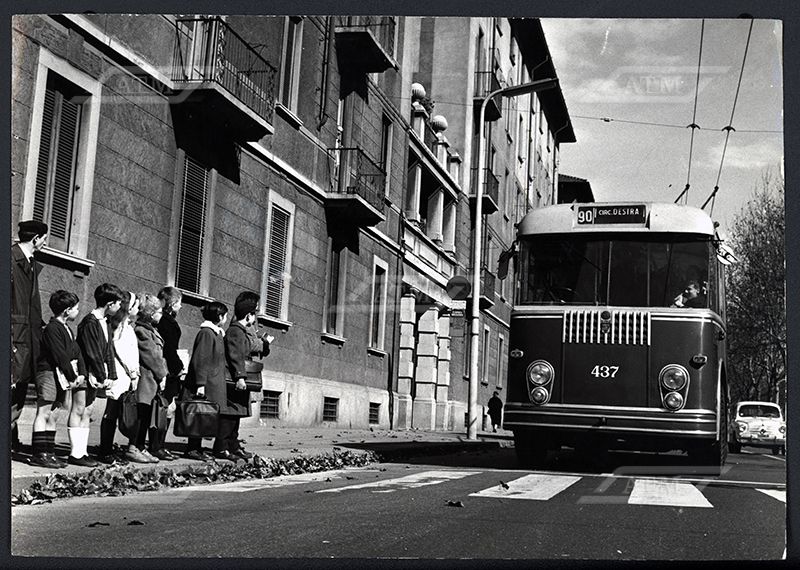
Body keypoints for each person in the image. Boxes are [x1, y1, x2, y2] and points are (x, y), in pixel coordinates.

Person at [30, 290, 86, 468]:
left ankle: (50, 452)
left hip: (60, 375)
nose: (78, 311)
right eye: (76, 308)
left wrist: (81, 374)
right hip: (48, 373)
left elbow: (76, 352)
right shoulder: (53, 328)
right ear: (67, 310)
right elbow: (59, 355)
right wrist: (72, 375)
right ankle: (40, 453)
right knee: (43, 412)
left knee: (53, 415)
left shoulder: (67, 329)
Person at [73, 283, 124, 467]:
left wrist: (111, 375)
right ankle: (75, 453)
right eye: (118, 303)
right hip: (86, 372)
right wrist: (100, 375)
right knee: (80, 409)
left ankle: (82, 451)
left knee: (88, 411)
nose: (119, 307)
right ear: (110, 304)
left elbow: (108, 350)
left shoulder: (105, 323)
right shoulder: (90, 322)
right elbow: (92, 352)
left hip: (96, 374)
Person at [218, 291, 272, 461]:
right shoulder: (236, 331)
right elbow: (235, 355)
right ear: (248, 315)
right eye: (254, 313)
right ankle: (221, 447)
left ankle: (233, 446)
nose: (255, 317)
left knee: (236, 415)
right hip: (235, 380)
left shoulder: (240, 330)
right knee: (229, 416)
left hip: (239, 379)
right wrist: (240, 377)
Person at [11, 220, 48, 451]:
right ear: (35, 239)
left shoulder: (30, 263)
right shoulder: (11, 260)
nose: (45, 243)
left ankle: (10, 438)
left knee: (19, 391)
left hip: (27, 340)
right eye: (44, 238)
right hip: (15, 339)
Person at [181, 301, 229, 460]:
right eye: (225, 315)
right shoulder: (207, 333)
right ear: (220, 316)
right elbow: (201, 360)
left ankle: (197, 448)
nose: (226, 318)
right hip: (207, 383)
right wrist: (200, 385)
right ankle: (193, 448)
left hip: (214, 382)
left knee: (205, 416)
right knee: (199, 415)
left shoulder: (216, 333)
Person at [97, 291, 140, 465]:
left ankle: (106, 448)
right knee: (111, 413)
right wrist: (133, 372)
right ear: (128, 308)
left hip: (122, 376)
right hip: (121, 376)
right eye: (136, 305)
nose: (138, 309)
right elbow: (123, 352)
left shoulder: (124, 326)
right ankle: (105, 450)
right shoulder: (121, 328)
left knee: (112, 412)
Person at [133, 294, 169, 463]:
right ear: (151, 312)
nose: (161, 314)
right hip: (146, 380)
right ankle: (134, 447)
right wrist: (163, 374)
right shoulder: (142, 330)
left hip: (151, 380)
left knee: (146, 416)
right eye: (159, 311)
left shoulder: (150, 329)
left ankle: (140, 447)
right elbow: (153, 356)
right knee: (141, 416)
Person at [155, 286, 183, 460]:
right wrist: (179, 367)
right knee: (165, 408)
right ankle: (158, 445)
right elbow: (169, 349)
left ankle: (160, 445)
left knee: (167, 408)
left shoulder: (163, 320)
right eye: (179, 303)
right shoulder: (166, 322)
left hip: (168, 367)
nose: (180, 307)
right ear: (172, 304)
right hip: (169, 369)